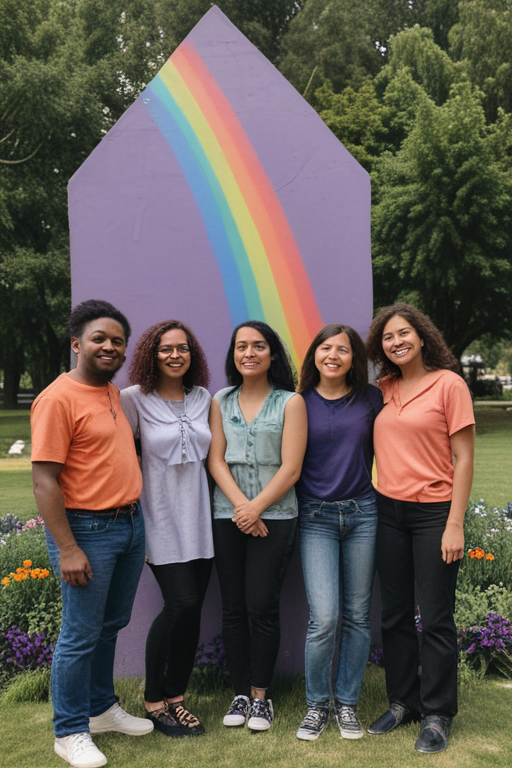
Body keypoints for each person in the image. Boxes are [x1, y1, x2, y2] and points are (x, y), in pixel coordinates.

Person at [31, 300, 153, 768]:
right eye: (99, 338)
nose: (109, 346)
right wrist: (67, 547)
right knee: (79, 636)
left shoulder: (112, 393)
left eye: (117, 340)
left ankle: (101, 709)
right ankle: (70, 731)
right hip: (86, 529)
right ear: (77, 343)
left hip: (128, 523)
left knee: (110, 626)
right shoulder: (57, 398)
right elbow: (44, 481)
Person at [365, 303, 475, 754]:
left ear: (422, 336)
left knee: (435, 617)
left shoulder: (449, 384)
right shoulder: (384, 388)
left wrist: (455, 524)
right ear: (381, 346)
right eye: (389, 337)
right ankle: (403, 702)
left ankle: (437, 713)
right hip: (387, 513)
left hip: (434, 513)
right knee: (392, 615)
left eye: (404, 333)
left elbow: (464, 457)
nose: (397, 342)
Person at [208, 320, 307, 732]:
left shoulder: (290, 403)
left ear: (272, 354)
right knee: (232, 608)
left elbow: (292, 467)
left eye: (259, 346)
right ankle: (239, 694)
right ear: (233, 355)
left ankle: (261, 698)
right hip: (226, 514)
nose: (249, 353)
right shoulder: (220, 400)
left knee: (261, 606)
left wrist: (257, 509)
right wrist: (242, 508)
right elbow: (215, 459)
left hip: (277, 516)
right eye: (241, 346)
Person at [120, 320, 213, 738]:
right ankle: (153, 700)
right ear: (150, 355)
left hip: (201, 520)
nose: (175, 355)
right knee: (180, 603)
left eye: (182, 348)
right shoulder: (133, 400)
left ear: (192, 354)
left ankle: (177, 696)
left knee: (192, 612)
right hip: (158, 517)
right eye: (165, 349)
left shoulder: (203, 398)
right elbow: (118, 457)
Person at [295, 324, 383, 742]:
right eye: (325, 348)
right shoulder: (299, 402)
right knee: (325, 617)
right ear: (314, 354)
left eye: (343, 349)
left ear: (354, 358)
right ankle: (317, 705)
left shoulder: (371, 398)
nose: (333, 355)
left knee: (358, 616)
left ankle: (346, 703)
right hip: (315, 518)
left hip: (363, 513)